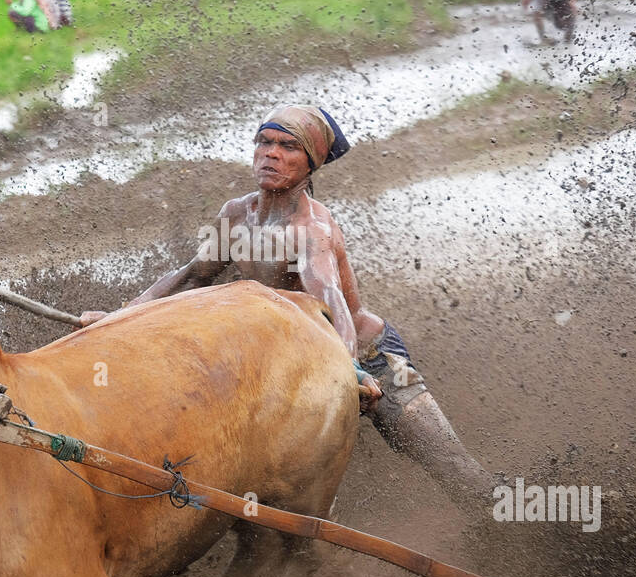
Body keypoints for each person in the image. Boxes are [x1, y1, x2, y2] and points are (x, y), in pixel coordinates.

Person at [78, 106, 497, 505]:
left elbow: (331, 303)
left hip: (366, 358)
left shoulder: (309, 229)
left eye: (288, 146)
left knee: (449, 463)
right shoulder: (238, 214)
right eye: (264, 142)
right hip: (292, 358)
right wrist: (121, 317)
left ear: (310, 163)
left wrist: (349, 370)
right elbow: (191, 276)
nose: (271, 154)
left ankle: (505, 516)